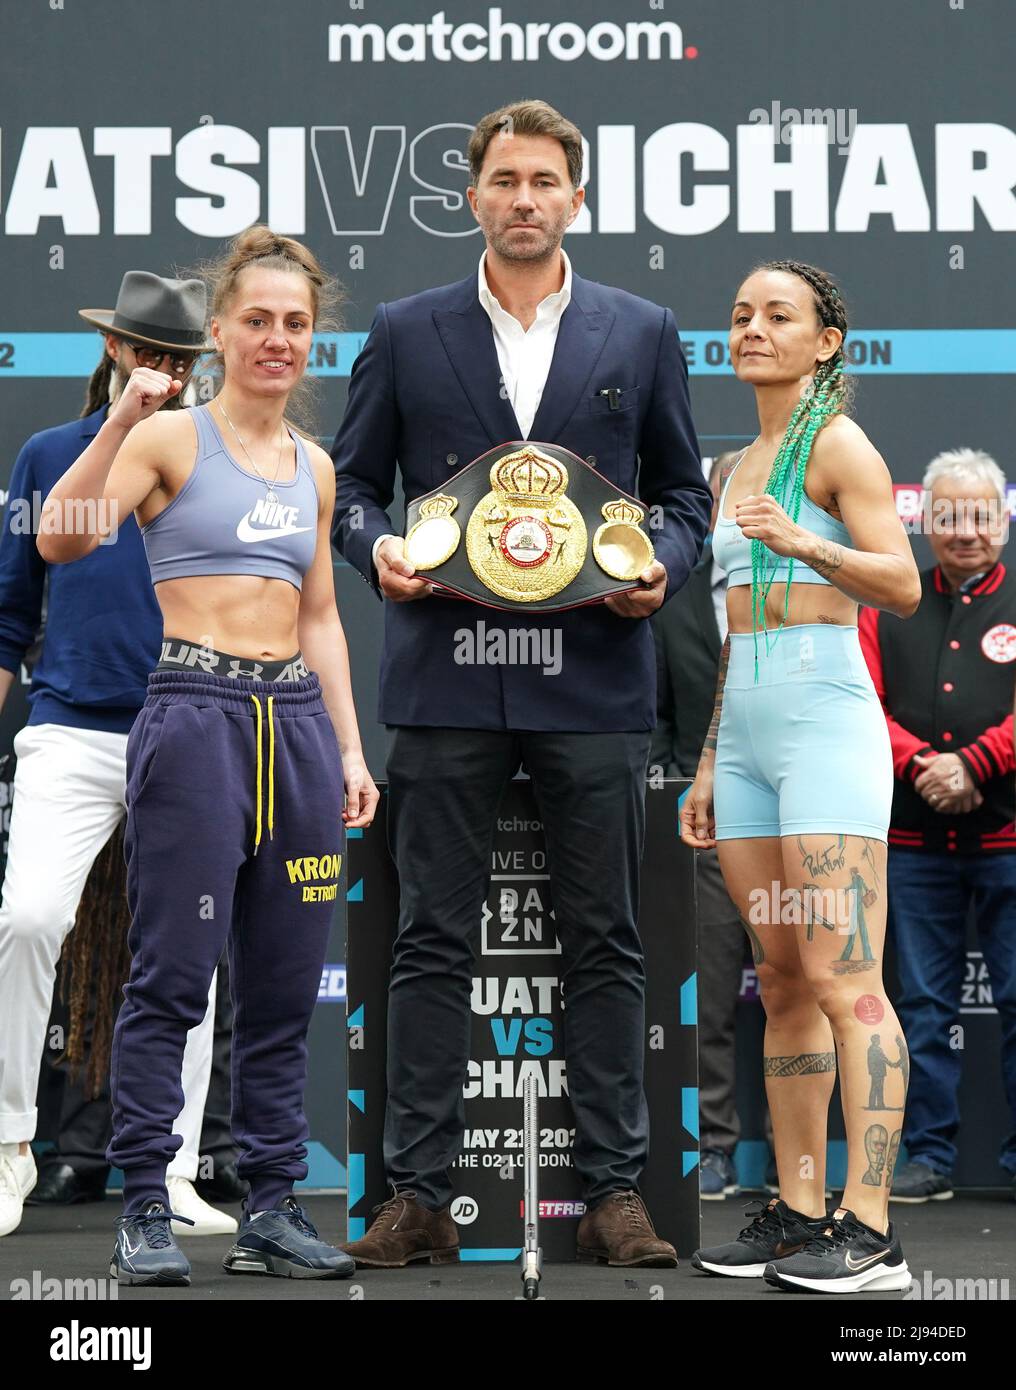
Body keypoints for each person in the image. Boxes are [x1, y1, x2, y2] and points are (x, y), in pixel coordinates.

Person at [332, 99, 710, 1269]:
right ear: (472, 197)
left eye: (544, 180)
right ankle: (415, 1196)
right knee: (431, 939)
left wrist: (660, 566)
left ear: (575, 198)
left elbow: (686, 504)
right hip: (444, 679)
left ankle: (613, 1196)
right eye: (503, 180)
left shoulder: (639, 328)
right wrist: (374, 551)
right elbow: (348, 489)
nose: (524, 199)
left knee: (604, 939)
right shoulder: (406, 328)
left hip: (594, 678)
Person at [38, 226, 379, 1286]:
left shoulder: (314, 466)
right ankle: (145, 1201)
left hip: (298, 731)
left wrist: (351, 748)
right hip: (194, 716)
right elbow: (61, 533)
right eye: (257, 321)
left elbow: (321, 615)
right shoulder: (170, 436)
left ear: (311, 342)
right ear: (220, 333)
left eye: (295, 325)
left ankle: (272, 1207)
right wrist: (123, 420)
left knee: (279, 989)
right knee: (172, 978)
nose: (277, 340)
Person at [680, 260, 921, 1294]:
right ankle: (801, 1206)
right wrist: (705, 759)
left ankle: (870, 1231)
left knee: (841, 978)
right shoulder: (734, 464)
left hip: (825, 723)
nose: (752, 329)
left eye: (777, 315)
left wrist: (800, 544)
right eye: (738, 314)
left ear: (823, 340)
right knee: (776, 980)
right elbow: (734, 635)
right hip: (746, 740)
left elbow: (902, 583)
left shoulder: (836, 441)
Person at [0, 273, 234, 1240]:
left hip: (191, 725)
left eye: (181, 361)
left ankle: (168, 1166)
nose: (165, 373)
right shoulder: (51, 454)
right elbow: (12, 613)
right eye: (149, 353)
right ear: (114, 351)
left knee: (193, 956)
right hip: (72, 727)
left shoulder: (223, 458)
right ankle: (11, 1145)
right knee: (28, 920)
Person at [858, 448, 1016, 1202]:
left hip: (1010, 841)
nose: (965, 531)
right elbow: (862, 700)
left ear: (1002, 520)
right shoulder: (892, 603)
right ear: (924, 521)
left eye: (980, 514)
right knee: (920, 1009)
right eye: (949, 515)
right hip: (915, 842)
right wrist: (924, 762)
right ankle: (926, 1157)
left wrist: (976, 763)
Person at [652, 452, 745, 1199]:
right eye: (729, 495)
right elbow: (658, 716)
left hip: (799, 807)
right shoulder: (673, 594)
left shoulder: (795, 582)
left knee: (806, 989)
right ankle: (712, 1146)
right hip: (706, 820)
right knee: (709, 995)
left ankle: (801, 1165)